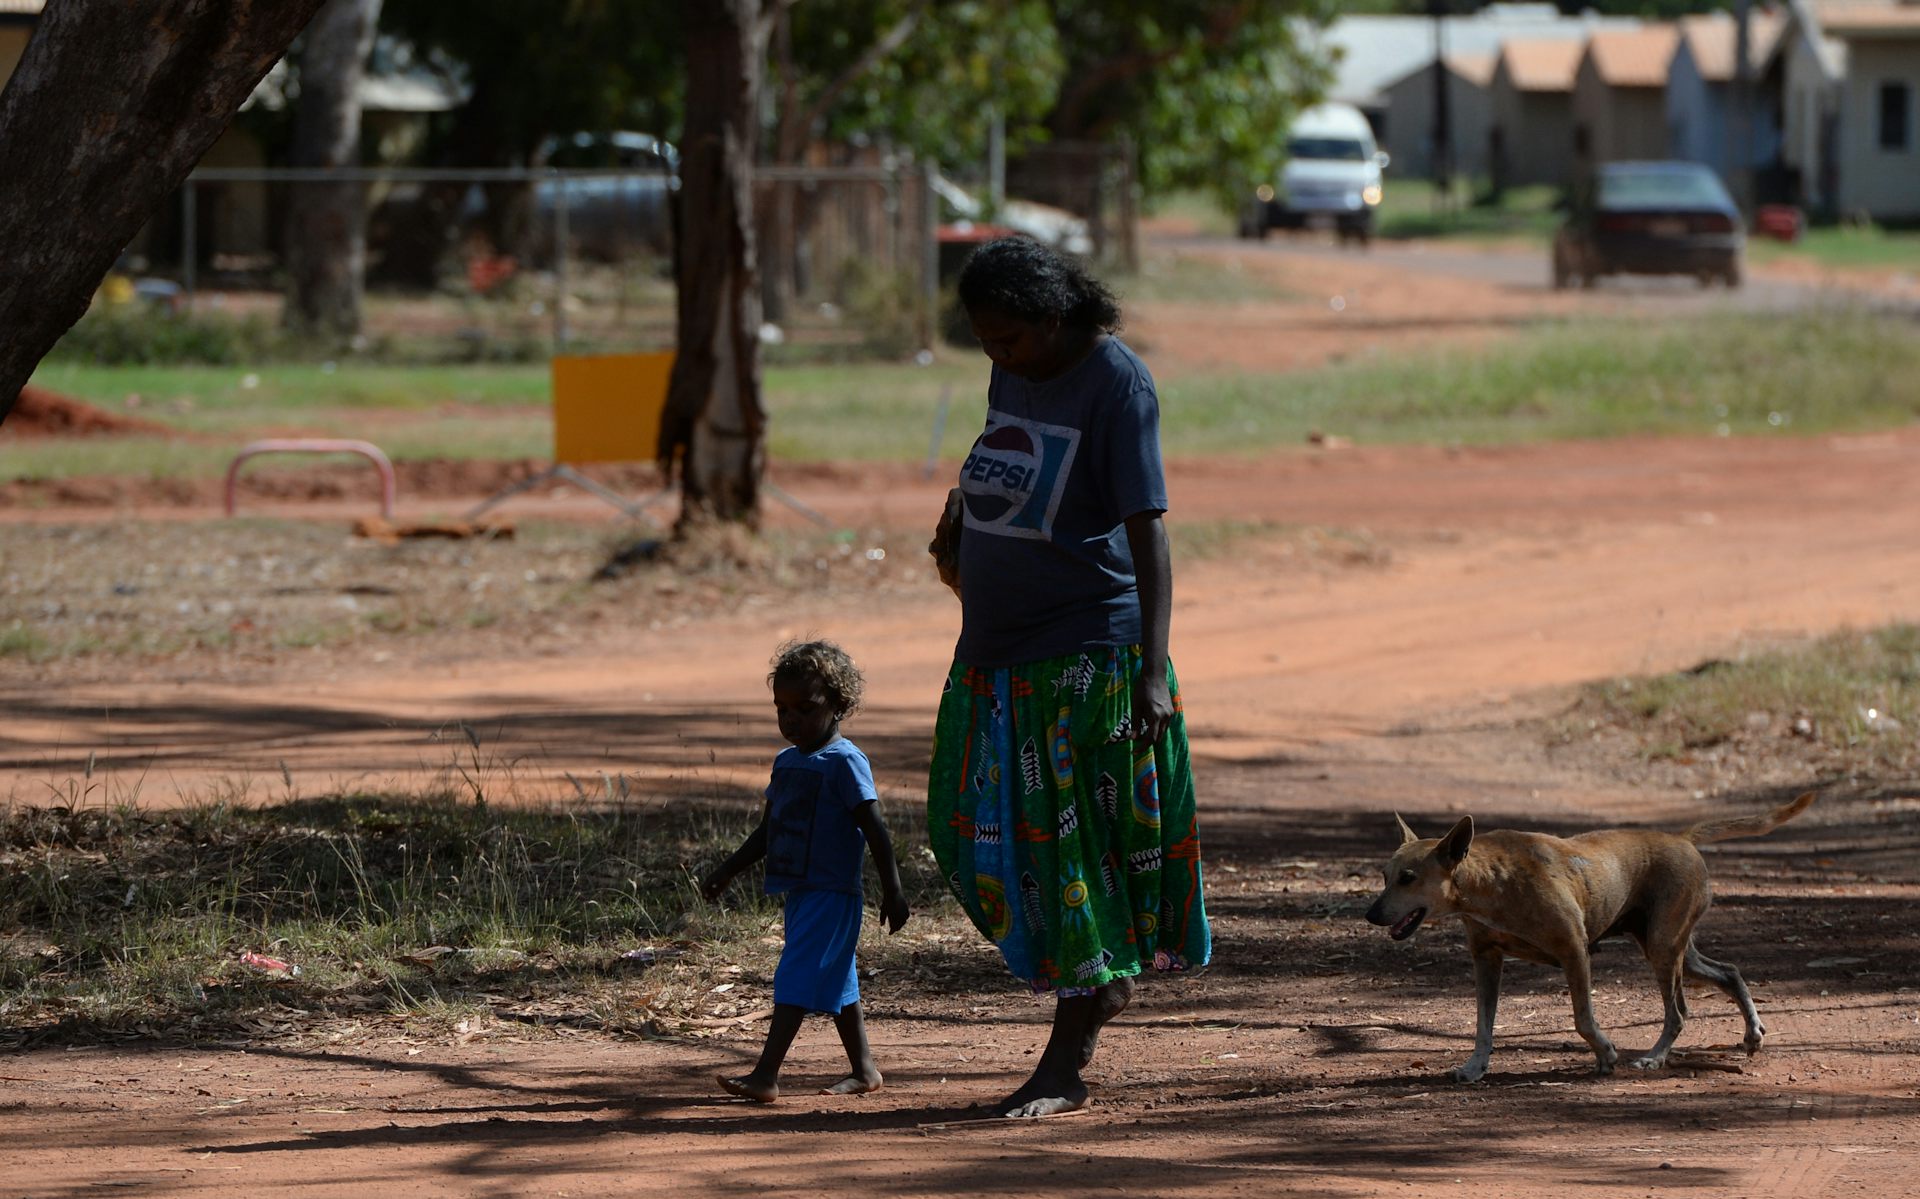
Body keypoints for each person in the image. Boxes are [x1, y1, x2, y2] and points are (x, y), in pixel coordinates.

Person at [926, 236, 1211, 1119]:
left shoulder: (1116, 383)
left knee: (1068, 854)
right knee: (966, 828)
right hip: (995, 650)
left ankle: (1068, 1051)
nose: (994, 354)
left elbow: (1148, 529)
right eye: (982, 339)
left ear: (1051, 318)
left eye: (1006, 338)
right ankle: (1098, 988)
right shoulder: (1013, 370)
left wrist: (1153, 669)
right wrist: (958, 522)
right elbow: (1003, 461)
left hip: (1087, 654)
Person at [701, 639, 910, 1103]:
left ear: (839, 705)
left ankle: (765, 1074)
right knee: (839, 982)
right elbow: (768, 830)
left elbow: (874, 828)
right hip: (798, 890)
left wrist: (893, 891)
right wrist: (729, 869)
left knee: (794, 976)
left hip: (832, 892)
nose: (790, 719)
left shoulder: (845, 761)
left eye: (805, 708)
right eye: (782, 708)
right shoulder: (787, 762)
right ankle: (865, 1070)